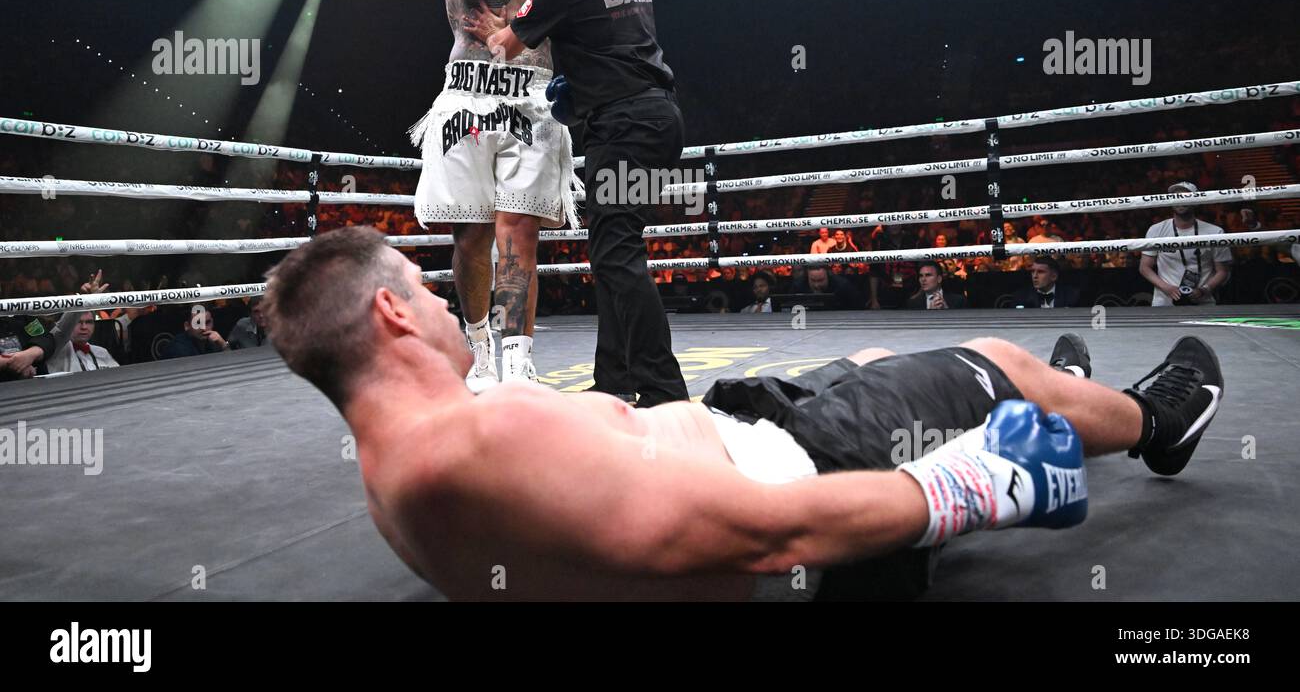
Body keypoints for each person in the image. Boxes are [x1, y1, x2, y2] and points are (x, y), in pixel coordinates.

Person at [262, 227, 1224, 601]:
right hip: (805, 465)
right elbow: (763, 535)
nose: (439, 299)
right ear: (391, 312)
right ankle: (1151, 422)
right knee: (999, 363)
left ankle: (1048, 395)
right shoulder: (479, 439)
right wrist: (976, 485)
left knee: (893, 360)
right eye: (423, 289)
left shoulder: (391, 475)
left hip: (754, 428)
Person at [487, 0, 687, 407]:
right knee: (615, 252)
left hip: (625, 126)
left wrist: (493, 27)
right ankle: (615, 381)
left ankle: (663, 389)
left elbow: (506, 48)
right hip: (658, 120)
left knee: (617, 255)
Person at [403, 0, 578, 390]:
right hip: (466, 99)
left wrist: (575, 84)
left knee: (519, 230)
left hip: (531, 98)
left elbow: (574, 28)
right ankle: (479, 351)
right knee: (471, 234)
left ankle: (518, 361)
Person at [1140, 182, 1232, 307]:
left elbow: (1222, 271)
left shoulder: (1215, 232)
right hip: (1164, 302)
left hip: (1203, 301)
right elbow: (1144, 267)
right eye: (1176, 197)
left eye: (1185, 196)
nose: (1180, 200)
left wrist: (1204, 290)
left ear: (1195, 201)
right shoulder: (1156, 230)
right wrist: (1167, 288)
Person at [45, 313, 120, 374]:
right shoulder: (56, 348)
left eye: (89, 322)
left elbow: (118, 375)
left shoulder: (102, 352)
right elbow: (62, 330)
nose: (84, 327)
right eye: (78, 322)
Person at [1010, 256, 1081, 309]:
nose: (1034, 276)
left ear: (1054, 276)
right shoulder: (1021, 297)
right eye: (1032, 271)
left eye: (1040, 272)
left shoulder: (1072, 295)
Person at [160, 306, 230, 358]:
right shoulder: (178, 348)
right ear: (187, 326)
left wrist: (223, 344)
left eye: (207, 322)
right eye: (198, 323)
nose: (204, 328)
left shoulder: (213, 341)